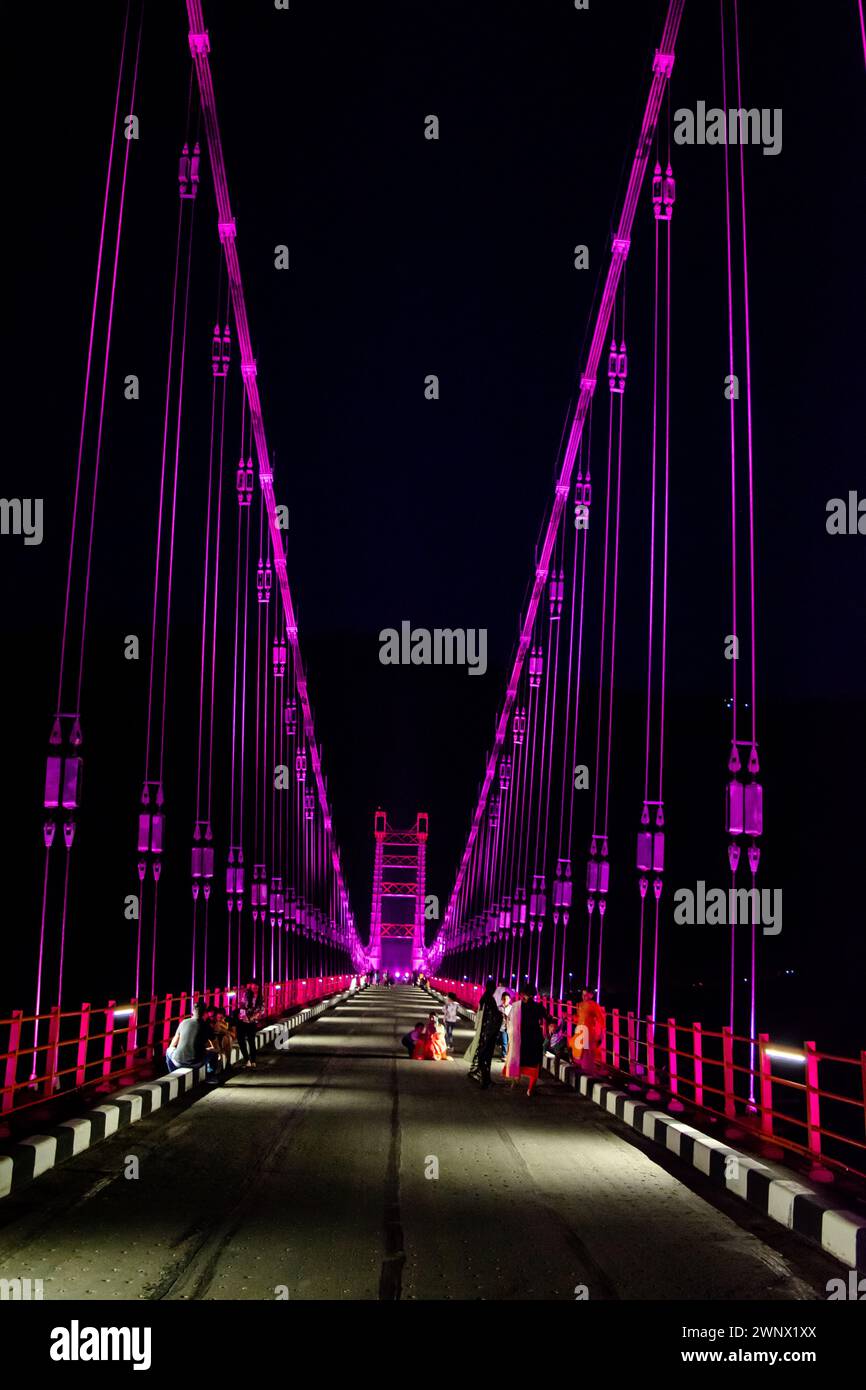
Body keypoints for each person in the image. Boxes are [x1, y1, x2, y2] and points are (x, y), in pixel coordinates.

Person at [504, 989, 548, 1096]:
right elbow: (548, 1017)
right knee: (535, 1064)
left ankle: (515, 1081)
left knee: (518, 1061)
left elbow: (509, 1021)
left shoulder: (517, 1006)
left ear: (524, 995)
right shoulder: (538, 1006)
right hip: (534, 1039)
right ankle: (530, 1089)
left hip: (521, 1038)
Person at [166, 1001, 218, 1077]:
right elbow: (215, 1047)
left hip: (178, 1062)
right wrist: (207, 1049)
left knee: (168, 1050)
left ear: (192, 1011)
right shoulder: (207, 1026)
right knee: (214, 1053)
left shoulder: (183, 1022)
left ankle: (173, 1074)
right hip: (196, 1063)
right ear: (205, 1014)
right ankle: (211, 1076)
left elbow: (173, 1044)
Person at [466, 982, 502, 1089]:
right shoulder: (490, 999)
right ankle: (485, 1080)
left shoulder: (484, 998)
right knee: (486, 1056)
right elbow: (495, 1015)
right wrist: (500, 1016)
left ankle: (483, 1077)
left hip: (483, 1031)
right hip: (488, 1032)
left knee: (482, 1054)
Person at [570, 988, 606, 1073]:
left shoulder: (594, 1005)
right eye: (582, 994)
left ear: (591, 995)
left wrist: (601, 1033)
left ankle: (587, 1070)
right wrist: (571, 1017)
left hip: (588, 1031)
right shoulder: (580, 1005)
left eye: (586, 994)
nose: (583, 996)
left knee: (586, 1052)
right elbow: (579, 1018)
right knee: (577, 1048)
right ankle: (581, 1069)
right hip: (580, 1031)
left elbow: (601, 1020)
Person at [234, 979, 265, 1070]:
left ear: (259, 987)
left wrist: (253, 1017)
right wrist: (244, 1017)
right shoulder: (246, 994)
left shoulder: (260, 996)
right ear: (251, 986)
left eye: (256, 986)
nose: (255, 988)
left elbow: (262, 1010)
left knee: (251, 1041)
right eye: (253, 986)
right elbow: (241, 1006)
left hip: (252, 1022)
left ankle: (253, 1061)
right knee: (241, 1040)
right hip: (242, 1021)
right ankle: (247, 1060)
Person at [498, 991, 512, 1060]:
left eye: (507, 999)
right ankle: (504, 1055)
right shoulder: (499, 1008)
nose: (505, 1000)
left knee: (510, 1042)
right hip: (503, 1027)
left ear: (509, 999)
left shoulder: (512, 1008)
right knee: (504, 1042)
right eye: (504, 999)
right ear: (502, 999)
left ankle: (509, 1055)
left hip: (510, 1027)